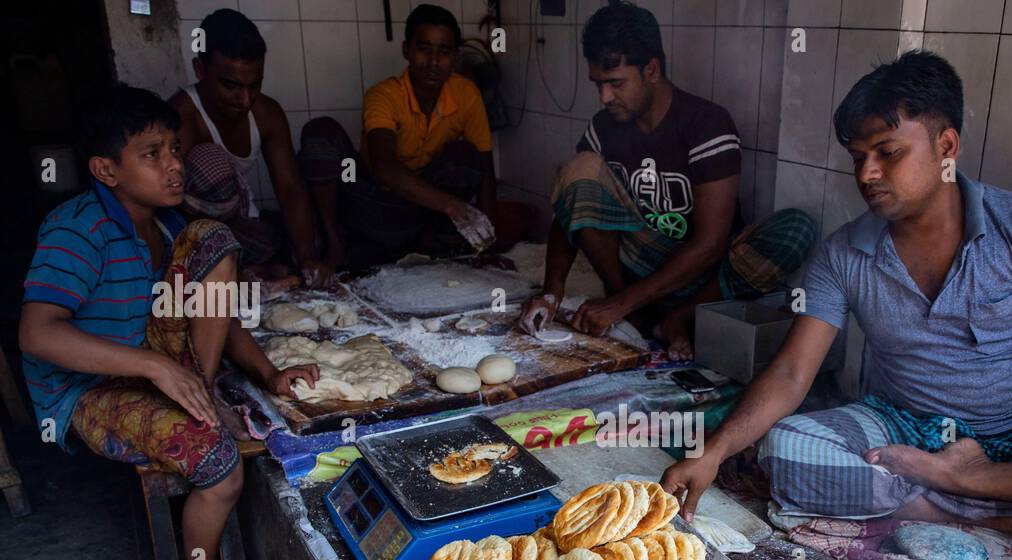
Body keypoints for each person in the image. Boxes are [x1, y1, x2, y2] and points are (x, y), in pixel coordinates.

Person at [661, 51, 1012, 554]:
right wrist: (714, 453)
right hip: (906, 426)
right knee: (790, 449)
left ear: (946, 146)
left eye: (887, 152)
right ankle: (980, 509)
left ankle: (973, 484)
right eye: (857, 156)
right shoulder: (843, 254)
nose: (866, 173)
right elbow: (791, 371)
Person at [18, 85, 318, 560]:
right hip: (89, 387)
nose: (174, 165)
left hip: (156, 362)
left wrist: (270, 374)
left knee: (214, 237)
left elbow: (214, 312)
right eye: (152, 155)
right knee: (220, 466)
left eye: (174, 149)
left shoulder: (169, 226)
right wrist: (155, 366)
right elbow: (37, 334)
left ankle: (199, 385)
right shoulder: (78, 230)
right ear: (106, 171)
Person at [516, 1, 817, 358]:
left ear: (652, 70)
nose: (604, 97)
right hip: (638, 261)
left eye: (615, 83)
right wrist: (552, 292)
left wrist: (619, 305)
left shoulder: (707, 124)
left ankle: (676, 316)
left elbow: (710, 243)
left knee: (797, 228)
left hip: (702, 274)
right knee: (579, 168)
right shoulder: (603, 128)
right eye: (598, 84)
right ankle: (638, 314)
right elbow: (570, 211)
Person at [298, 3, 498, 263]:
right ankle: (333, 244)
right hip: (372, 204)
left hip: (421, 212)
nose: (434, 62)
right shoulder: (384, 95)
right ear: (407, 50)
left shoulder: (466, 93)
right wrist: (453, 206)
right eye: (423, 49)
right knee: (320, 132)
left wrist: (489, 244)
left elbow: (485, 169)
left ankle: (424, 242)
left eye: (444, 51)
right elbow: (385, 168)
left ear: (456, 56)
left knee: (466, 156)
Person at [169, 8, 332, 288]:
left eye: (254, 85)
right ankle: (232, 271)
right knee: (209, 161)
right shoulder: (182, 114)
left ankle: (253, 269)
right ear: (200, 70)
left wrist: (306, 257)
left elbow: (290, 189)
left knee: (308, 237)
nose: (244, 100)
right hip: (193, 234)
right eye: (230, 85)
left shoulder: (267, 113)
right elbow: (166, 200)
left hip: (245, 229)